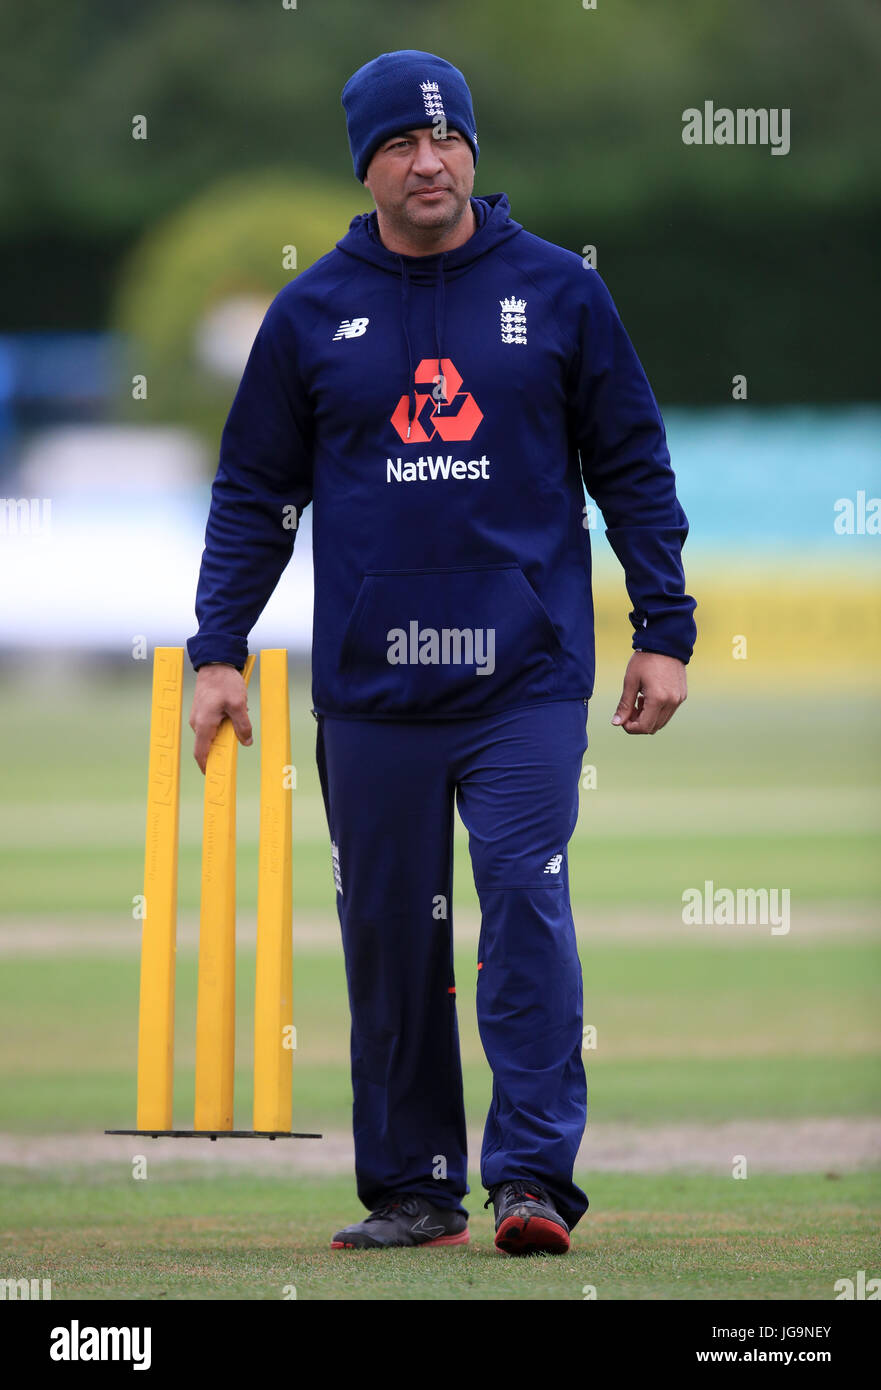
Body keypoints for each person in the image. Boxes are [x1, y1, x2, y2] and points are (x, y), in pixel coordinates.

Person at [187, 49, 696, 1256]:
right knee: (390, 937)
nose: (431, 162)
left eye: (449, 140)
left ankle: (528, 1180)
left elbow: (631, 466)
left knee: (523, 898)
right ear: (363, 164)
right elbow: (254, 493)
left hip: (522, 676)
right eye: (403, 146)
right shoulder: (311, 312)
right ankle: (414, 1190)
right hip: (372, 690)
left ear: (471, 148)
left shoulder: (559, 293)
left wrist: (662, 628)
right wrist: (218, 649)